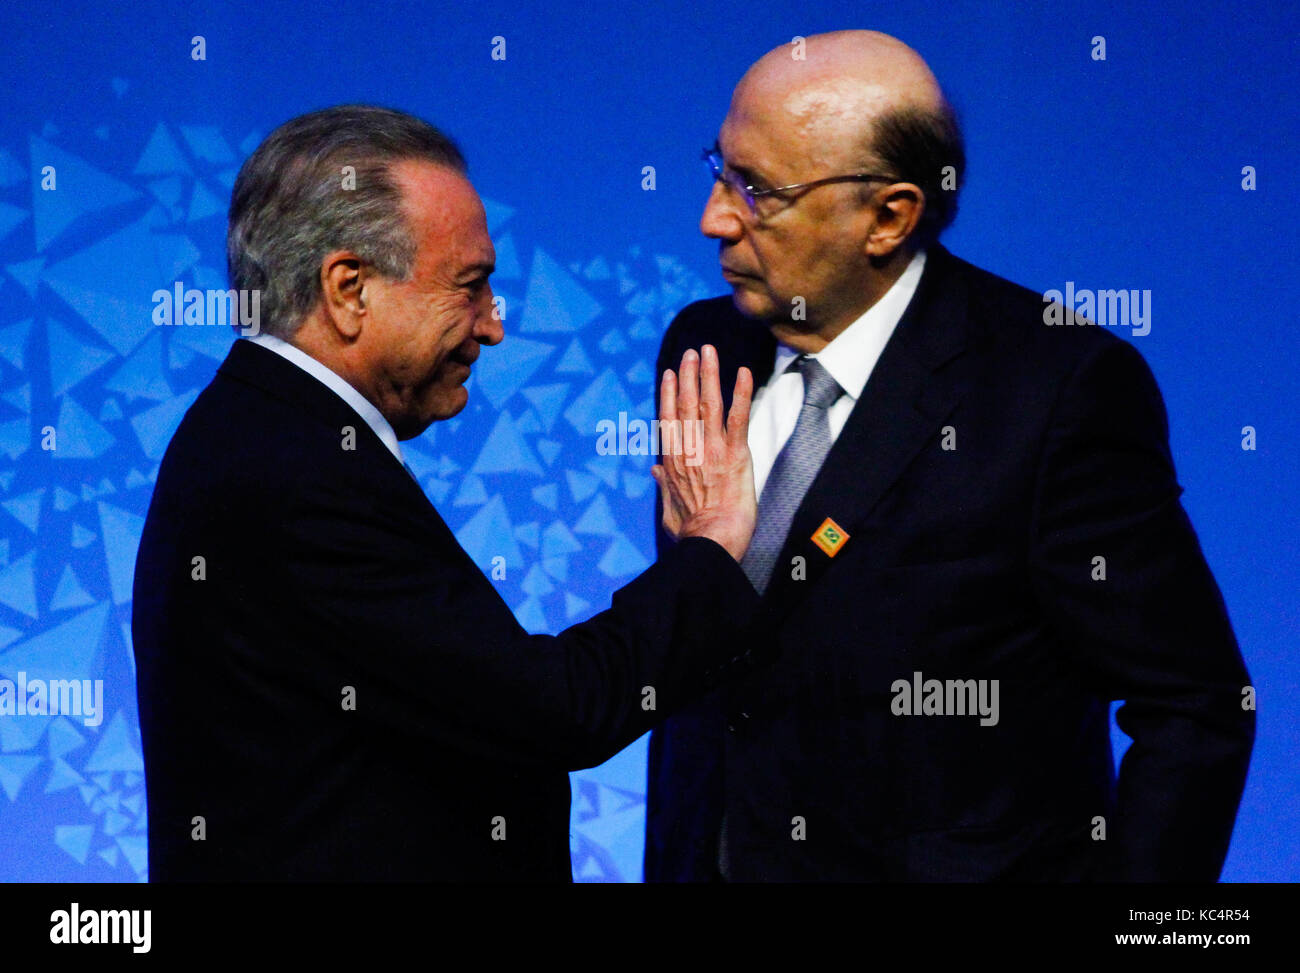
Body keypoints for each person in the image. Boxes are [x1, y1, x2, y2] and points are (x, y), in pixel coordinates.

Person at [645, 30, 1254, 882]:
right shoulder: (705, 346)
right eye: (720, 168)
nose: (713, 216)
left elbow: (1197, 705)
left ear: (889, 216)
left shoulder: (1057, 389)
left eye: (758, 190)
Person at [131, 105, 759, 881]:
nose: (492, 327)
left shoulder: (259, 431)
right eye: (471, 287)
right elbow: (552, 711)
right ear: (349, 288)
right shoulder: (299, 478)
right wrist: (708, 550)